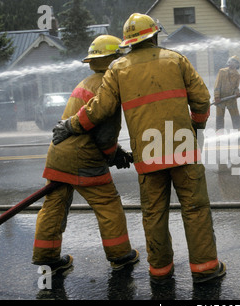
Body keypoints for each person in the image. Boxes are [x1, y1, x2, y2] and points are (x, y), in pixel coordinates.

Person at [52, 13, 226, 284]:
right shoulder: (176, 59)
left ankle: (160, 272)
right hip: (183, 148)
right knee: (195, 209)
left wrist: (71, 125)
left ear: (129, 43)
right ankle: (205, 270)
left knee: (154, 214)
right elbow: (202, 99)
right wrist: (196, 127)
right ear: (155, 35)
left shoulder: (117, 68)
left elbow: (100, 109)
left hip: (148, 155)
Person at [32, 35, 139, 274]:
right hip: (83, 157)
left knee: (54, 204)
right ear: (113, 59)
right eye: (120, 56)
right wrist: (114, 154)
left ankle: (46, 258)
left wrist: (116, 152)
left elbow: (90, 125)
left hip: (59, 153)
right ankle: (121, 256)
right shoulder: (109, 86)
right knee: (107, 203)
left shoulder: (87, 82)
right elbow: (104, 136)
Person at [214, 55, 240, 133]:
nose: (231, 63)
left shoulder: (238, 76)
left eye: (233, 62)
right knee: (219, 117)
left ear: (237, 64)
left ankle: (238, 133)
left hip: (231, 99)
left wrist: (237, 93)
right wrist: (217, 97)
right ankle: (219, 134)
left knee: (236, 116)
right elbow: (217, 85)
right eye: (230, 61)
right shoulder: (222, 72)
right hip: (221, 99)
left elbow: (236, 87)